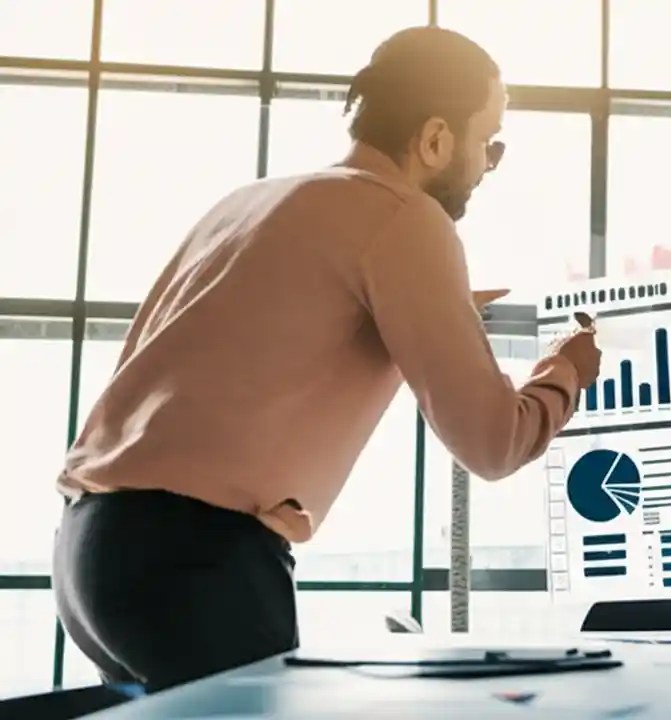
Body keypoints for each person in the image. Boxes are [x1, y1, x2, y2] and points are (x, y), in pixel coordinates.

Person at [51, 27, 600, 690]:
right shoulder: (406, 217)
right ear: (434, 139)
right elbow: (492, 443)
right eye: (489, 142)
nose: (488, 164)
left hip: (91, 550)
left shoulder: (252, 202)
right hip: (195, 560)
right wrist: (565, 370)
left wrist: (438, 308)